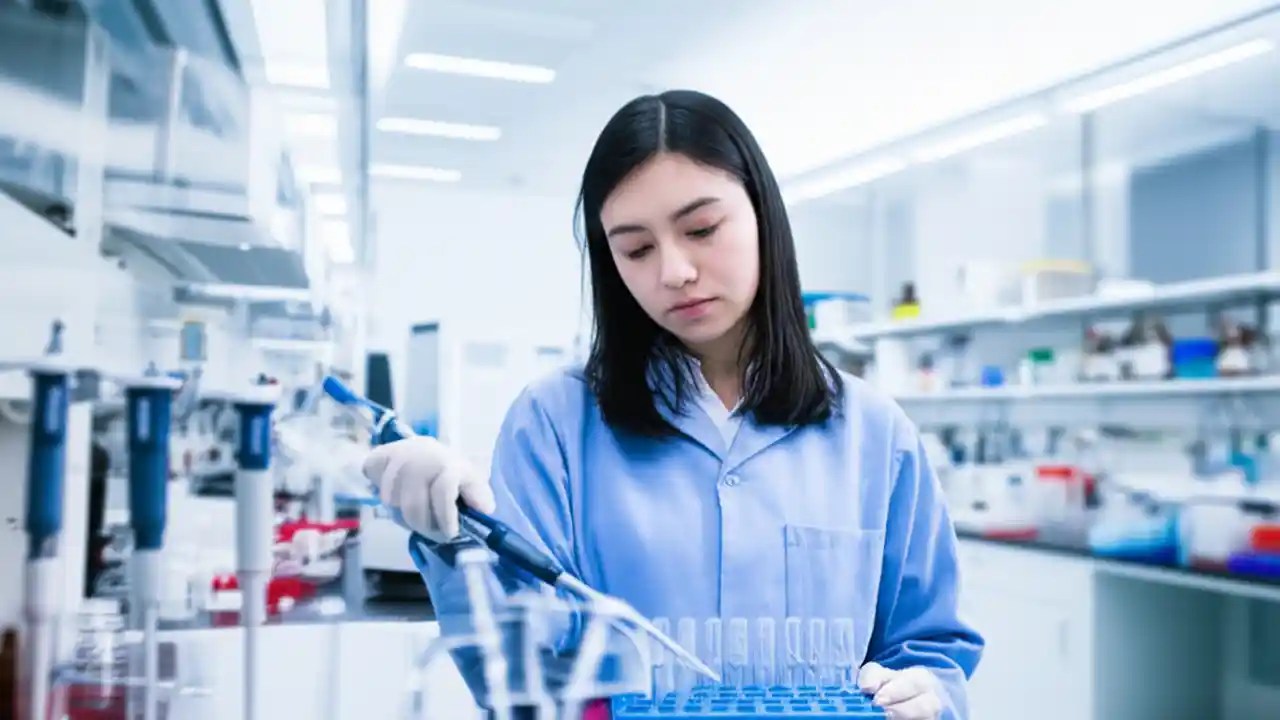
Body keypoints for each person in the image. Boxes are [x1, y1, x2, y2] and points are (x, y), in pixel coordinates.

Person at [363, 89, 984, 720]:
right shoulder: (553, 423)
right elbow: (515, 675)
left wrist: (931, 694)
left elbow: (928, 647)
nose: (675, 271)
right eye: (636, 249)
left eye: (702, 229)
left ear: (763, 215)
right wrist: (449, 541)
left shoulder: (875, 434)